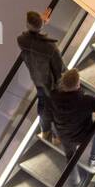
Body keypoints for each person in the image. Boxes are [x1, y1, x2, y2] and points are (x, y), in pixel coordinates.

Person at [47, 68, 95, 187]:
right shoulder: (85, 101)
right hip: (82, 135)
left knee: (70, 158)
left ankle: (76, 185)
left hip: (63, 134)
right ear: (78, 84)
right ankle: (94, 158)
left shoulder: (53, 96)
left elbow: (48, 113)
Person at [17, 8, 61, 143]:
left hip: (37, 78)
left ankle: (45, 131)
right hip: (51, 82)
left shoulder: (21, 40)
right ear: (40, 25)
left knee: (42, 104)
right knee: (55, 108)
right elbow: (59, 69)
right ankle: (56, 136)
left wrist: (40, 24)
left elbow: (32, 39)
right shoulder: (50, 47)